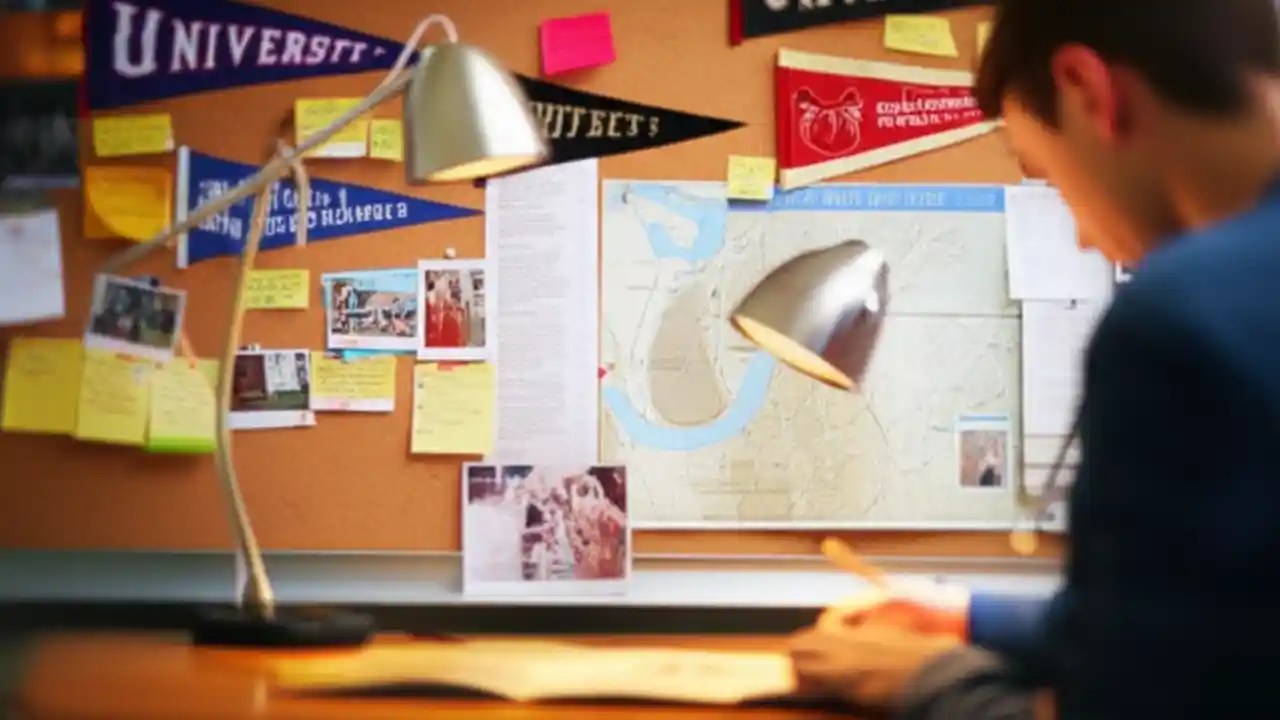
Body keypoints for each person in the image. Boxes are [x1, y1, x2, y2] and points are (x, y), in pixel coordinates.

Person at [788, 1, 1280, 718]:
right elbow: (1217, 627)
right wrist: (967, 618)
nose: (1081, 236)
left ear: (1085, 90)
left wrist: (918, 681)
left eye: (1047, 173)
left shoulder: (1184, 315)